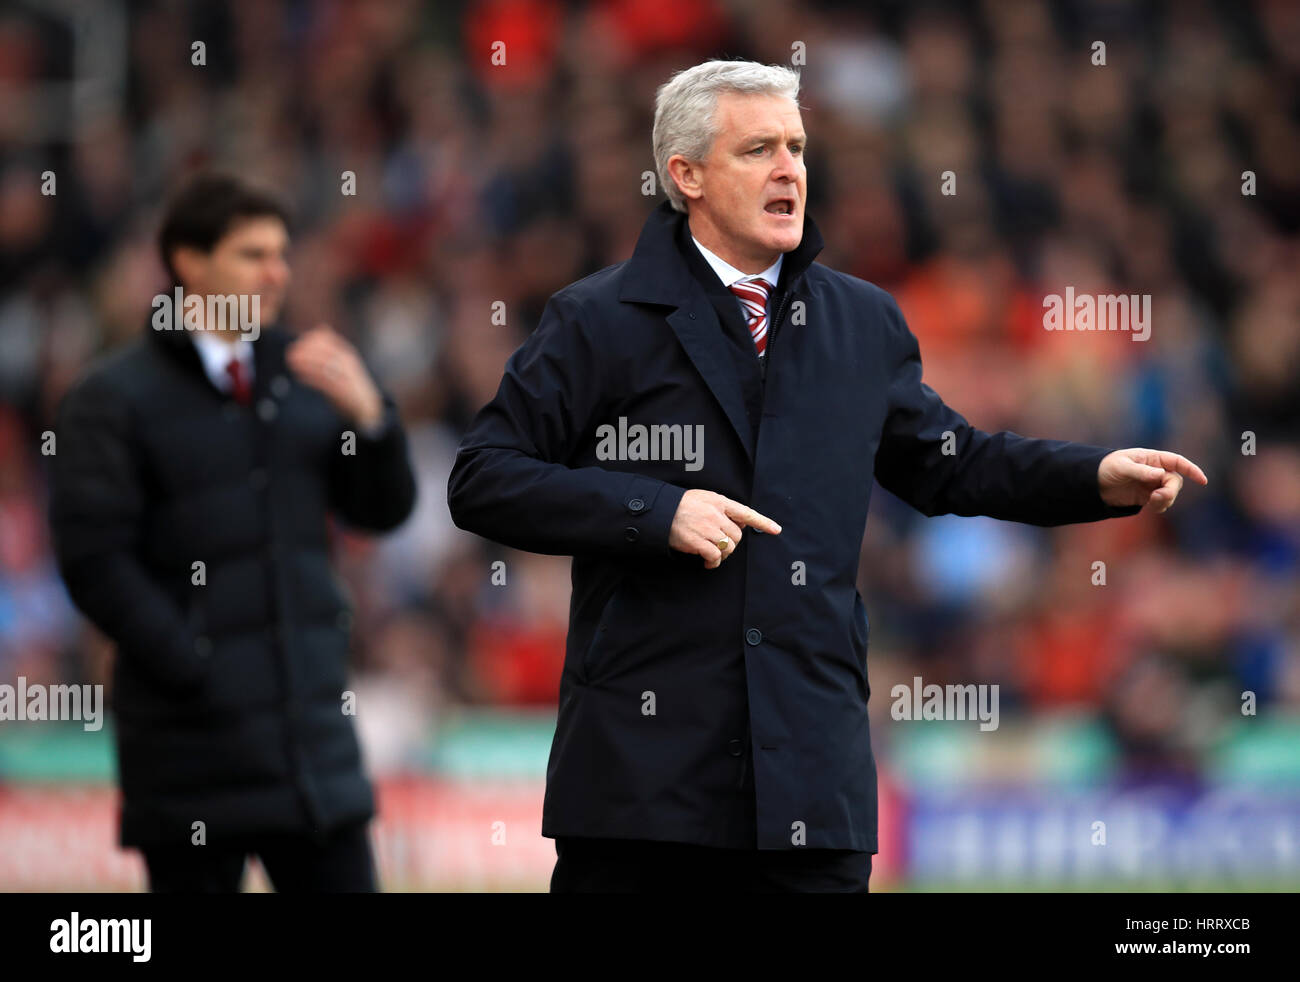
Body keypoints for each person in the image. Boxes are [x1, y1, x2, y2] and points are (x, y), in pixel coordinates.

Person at [447, 60, 1208, 893]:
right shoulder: (597, 320)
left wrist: (1092, 476)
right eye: (759, 149)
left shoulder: (861, 320)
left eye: (798, 148)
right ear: (686, 175)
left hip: (810, 789)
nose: (789, 169)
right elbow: (484, 476)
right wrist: (651, 509)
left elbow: (949, 464)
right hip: (642, 796)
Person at [48, 172, 418, 892]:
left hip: (313, 752)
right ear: (188, 262)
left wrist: (372, 419)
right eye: (252, 254)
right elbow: (94, 562)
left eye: (281, 252)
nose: (277, 272)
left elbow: (381, 510)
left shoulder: (306, 375)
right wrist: (195, 661)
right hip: (189, 755)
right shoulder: (111, 398)